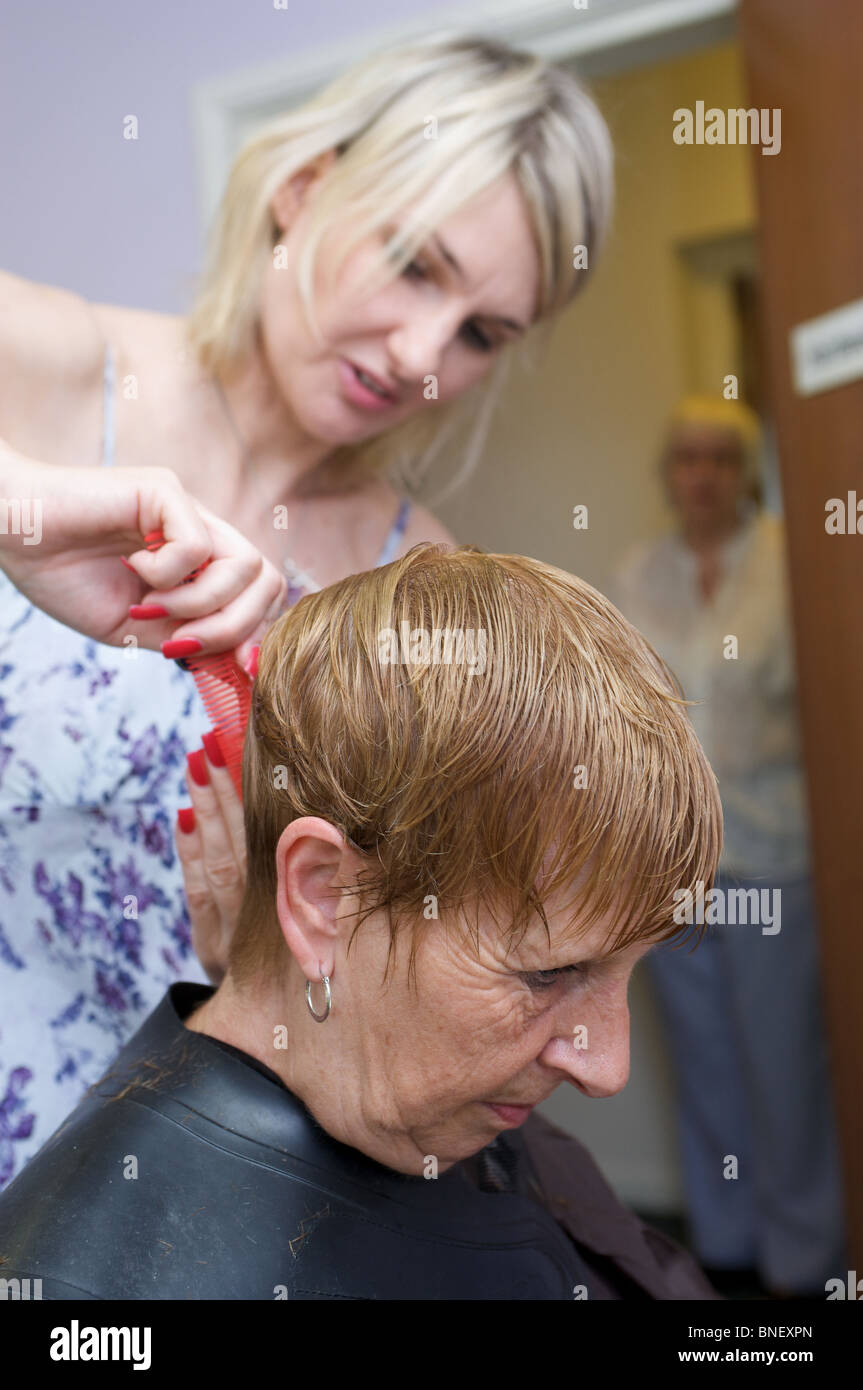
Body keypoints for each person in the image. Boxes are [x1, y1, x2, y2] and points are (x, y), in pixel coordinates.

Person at [0, 31, 615, 1185]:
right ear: (301, 189)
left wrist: (279, 972)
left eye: (482, 331)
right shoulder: (58, 366)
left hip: (180, 1179)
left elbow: (414, 991)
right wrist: (21, 508)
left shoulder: (423, 591)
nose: (421, 351)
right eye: (412, 263)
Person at [0, 543, 723, 1300]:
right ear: (320, 897)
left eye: (626, 967)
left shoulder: (443, 1111)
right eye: (548, 972)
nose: (608, 1070)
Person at [612, 395, 847, 1297]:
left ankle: (804, 1269)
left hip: (776, 856)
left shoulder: (793, 558)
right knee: (705, 1069)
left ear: (745, 469)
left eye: (719, 457)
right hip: (678, 870)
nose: (701, 474)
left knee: (786, 1073)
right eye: (685, 458)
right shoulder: (641, 571)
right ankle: (727, 1257)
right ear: (667, 474)